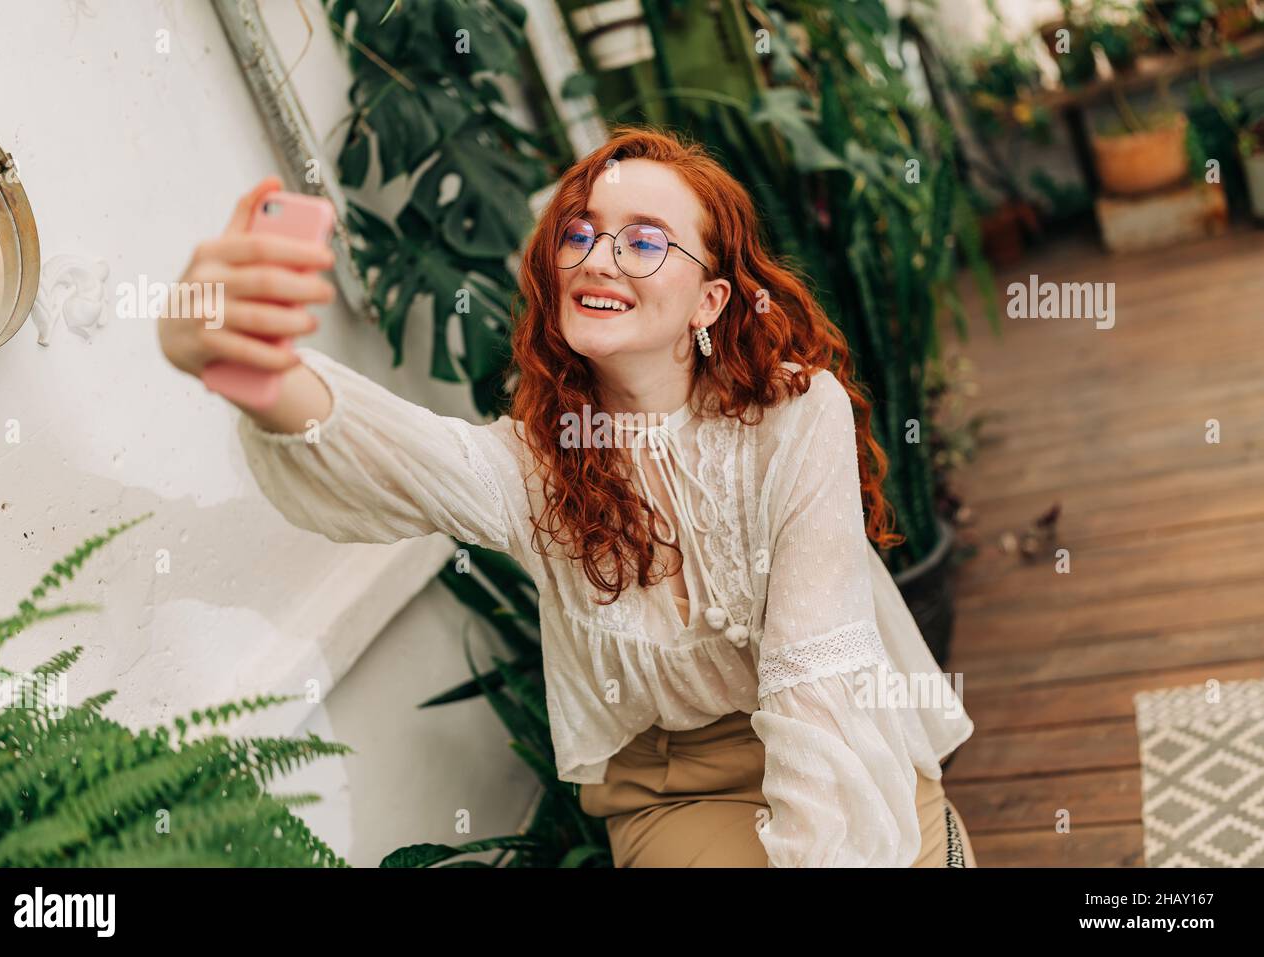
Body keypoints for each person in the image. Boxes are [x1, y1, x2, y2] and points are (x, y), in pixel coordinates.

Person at [158, 125, 976, 867]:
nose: (597, 257)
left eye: (644, 242)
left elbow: (815, 676)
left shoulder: (796, 415)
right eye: (579, 235)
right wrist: (246, 367)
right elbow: (392, 452)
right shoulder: (537, 466)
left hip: (840, 739)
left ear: (710, 300)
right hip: (677, 788)